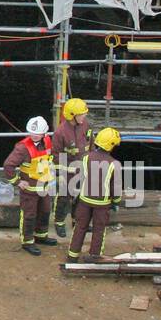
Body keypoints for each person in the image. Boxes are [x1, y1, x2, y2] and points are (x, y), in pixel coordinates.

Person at [67, 127, 123, 264]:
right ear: (111, 145)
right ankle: (94, 258)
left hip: (84, 200)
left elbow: (79, 175)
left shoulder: (86, 158)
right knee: (99, 230)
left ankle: (72, 256)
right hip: (102, 204)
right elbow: (115, 187)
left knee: (80, 228)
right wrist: (116, 201)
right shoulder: (114, 164)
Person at [2, 116, 57, 255]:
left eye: (37, 133)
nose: (34, 135)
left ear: (44, 133)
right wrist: (18, 182)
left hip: (44, 187)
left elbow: (50, 160)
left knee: (45, 211)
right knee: (29, 215)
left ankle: (41, 235)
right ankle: (27, 241)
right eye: (32, 132)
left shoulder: (47, 142)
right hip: (29, 190)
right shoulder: (22, 148)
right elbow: (8, 165)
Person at [51, 97, 91, 238]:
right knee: (64, 197)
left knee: (80, 197)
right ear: (72, 115)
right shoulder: (60, 133)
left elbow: (90, 143)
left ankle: (76, 221)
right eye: (82, 114)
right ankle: (59, 222)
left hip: (83, 168)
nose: (84, 116)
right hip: (67, 170)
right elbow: (55, 156)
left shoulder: (85, 125)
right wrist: (67, 169)